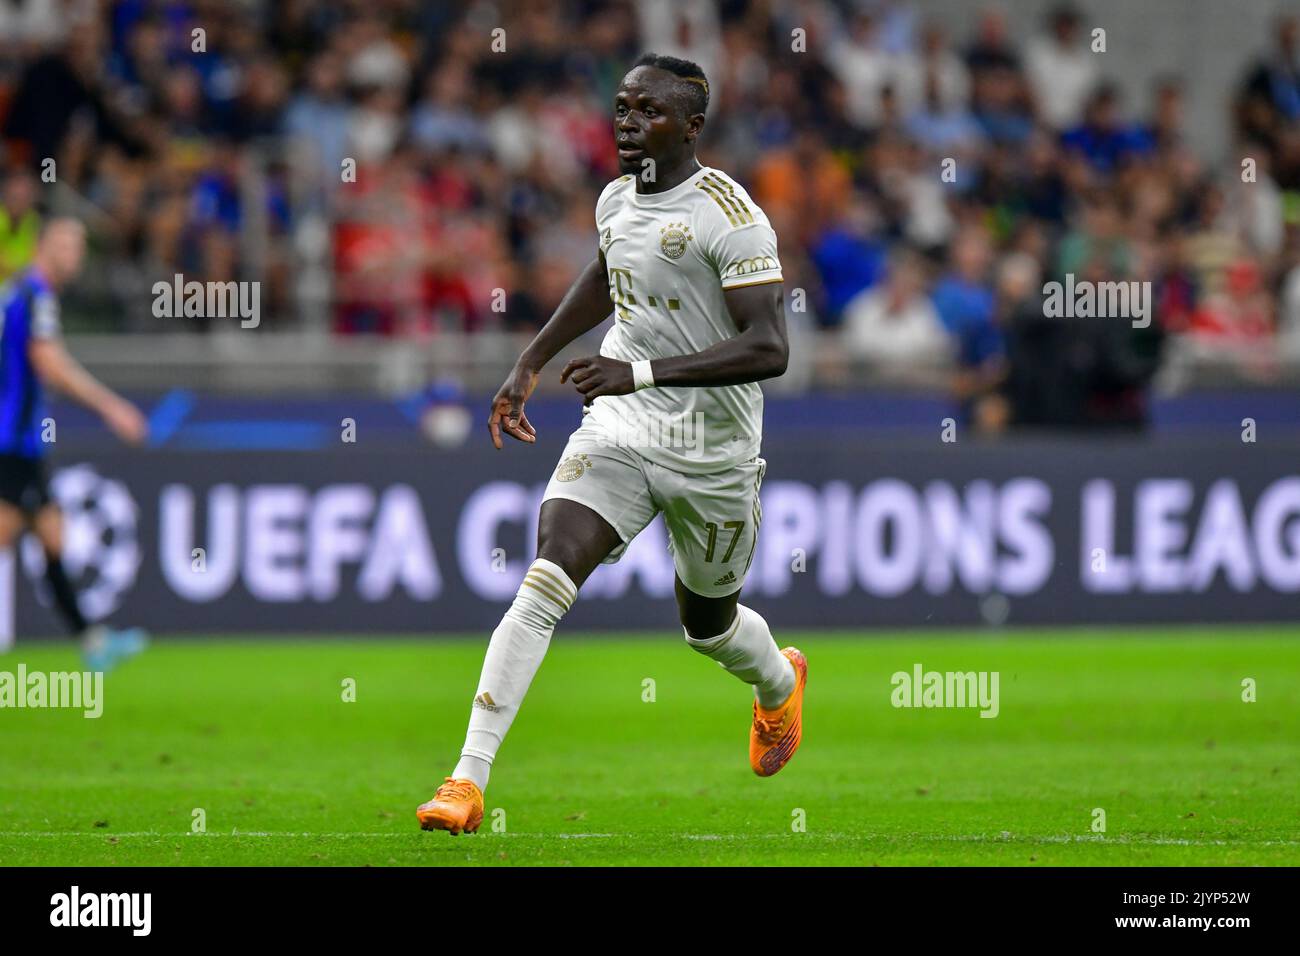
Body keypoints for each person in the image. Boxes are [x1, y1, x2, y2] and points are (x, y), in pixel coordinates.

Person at [417, 54, 806, 835]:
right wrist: (529, 362)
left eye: (648, 112)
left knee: (708, 626)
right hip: (624, 430)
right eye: (622, 108)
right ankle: (466, 779)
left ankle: (776, 683)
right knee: (547, 575)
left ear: (691, 128)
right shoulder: (614, 200)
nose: (627, 123)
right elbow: (605, 274)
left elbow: (771, 349)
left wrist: (642, 371)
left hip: (713, 446)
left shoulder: (730, 218)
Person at [0, 218, 150, 670]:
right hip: (12, 442)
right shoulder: (35, 296)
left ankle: (92, 640)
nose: (75, 256)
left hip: (21, 443)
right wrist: (111, 407)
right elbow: (49, 365)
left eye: (80, 248)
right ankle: (93, 640)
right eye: (66, 245)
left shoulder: (19, 294)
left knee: (51, 534)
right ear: (43, 246)